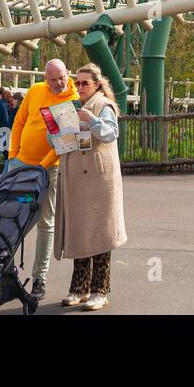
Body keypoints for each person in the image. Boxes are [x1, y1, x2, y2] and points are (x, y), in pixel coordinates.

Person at [56, 63, 127, 311]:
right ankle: (79, 288)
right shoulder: (73, 107)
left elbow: (110, 133)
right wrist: (55, 132)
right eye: (77, 82)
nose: (80, 87)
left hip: (99, 181)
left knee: (100, 234)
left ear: (97, 84)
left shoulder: (103, 106)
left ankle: (100, 290)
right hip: (78, 179)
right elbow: (64, 144)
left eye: (85, 82)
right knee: (80, 233)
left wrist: (92, 119)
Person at [8, 59, 80, 301]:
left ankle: (40, 278)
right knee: (13, 216)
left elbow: (66, 142)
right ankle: (4, 269)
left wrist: (42, 167)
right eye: (53, 79)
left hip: (49, 171)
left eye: (62, 77)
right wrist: (13, 156)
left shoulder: (72, 100)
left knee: (45, 223)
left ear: (67, 73)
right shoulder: (36, 90)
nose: (59, 83)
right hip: (21, 165)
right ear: (44, 77)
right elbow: (19, 122)